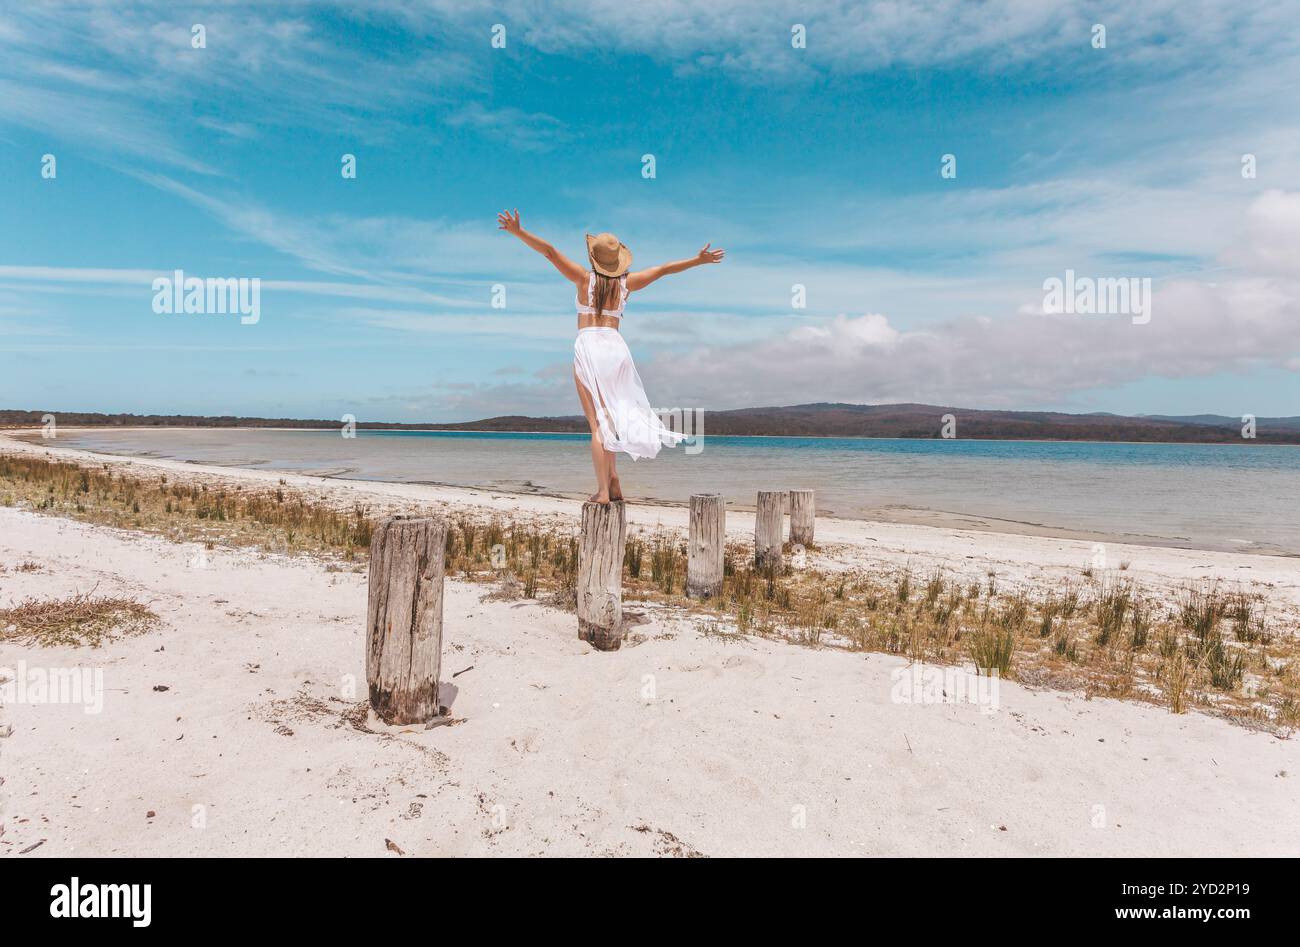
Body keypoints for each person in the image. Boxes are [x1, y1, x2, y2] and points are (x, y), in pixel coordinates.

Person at [497, 209, 725, 503]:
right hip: (617, 348)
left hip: (590, 346)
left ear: (594, 257)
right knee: (612, 419)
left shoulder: (582, 279)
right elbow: (665, 269)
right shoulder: (626, 284)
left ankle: (603, 491)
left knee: (597, 425)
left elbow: (551, 253)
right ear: (617, 262)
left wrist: (518, 232)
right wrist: (698, 260)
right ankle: (614, 480)